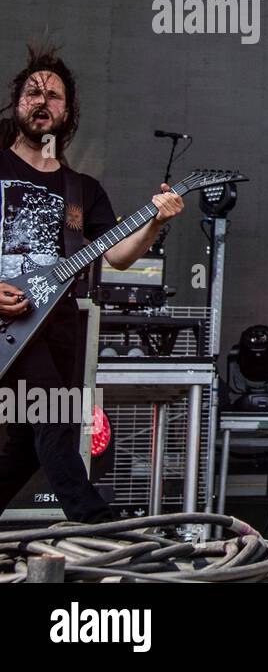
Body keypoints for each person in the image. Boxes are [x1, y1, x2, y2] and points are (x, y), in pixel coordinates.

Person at [0, 46, 183, 522]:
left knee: (25, 441)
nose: (42, 101)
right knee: (53, 416)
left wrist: (155, 223)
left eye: (54, 95)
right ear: (16, 102)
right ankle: (94, 519)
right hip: (5, 318)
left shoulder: (82, 189)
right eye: (32, 91)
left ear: (68, 111)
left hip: (55, 322)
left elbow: (119, 256)